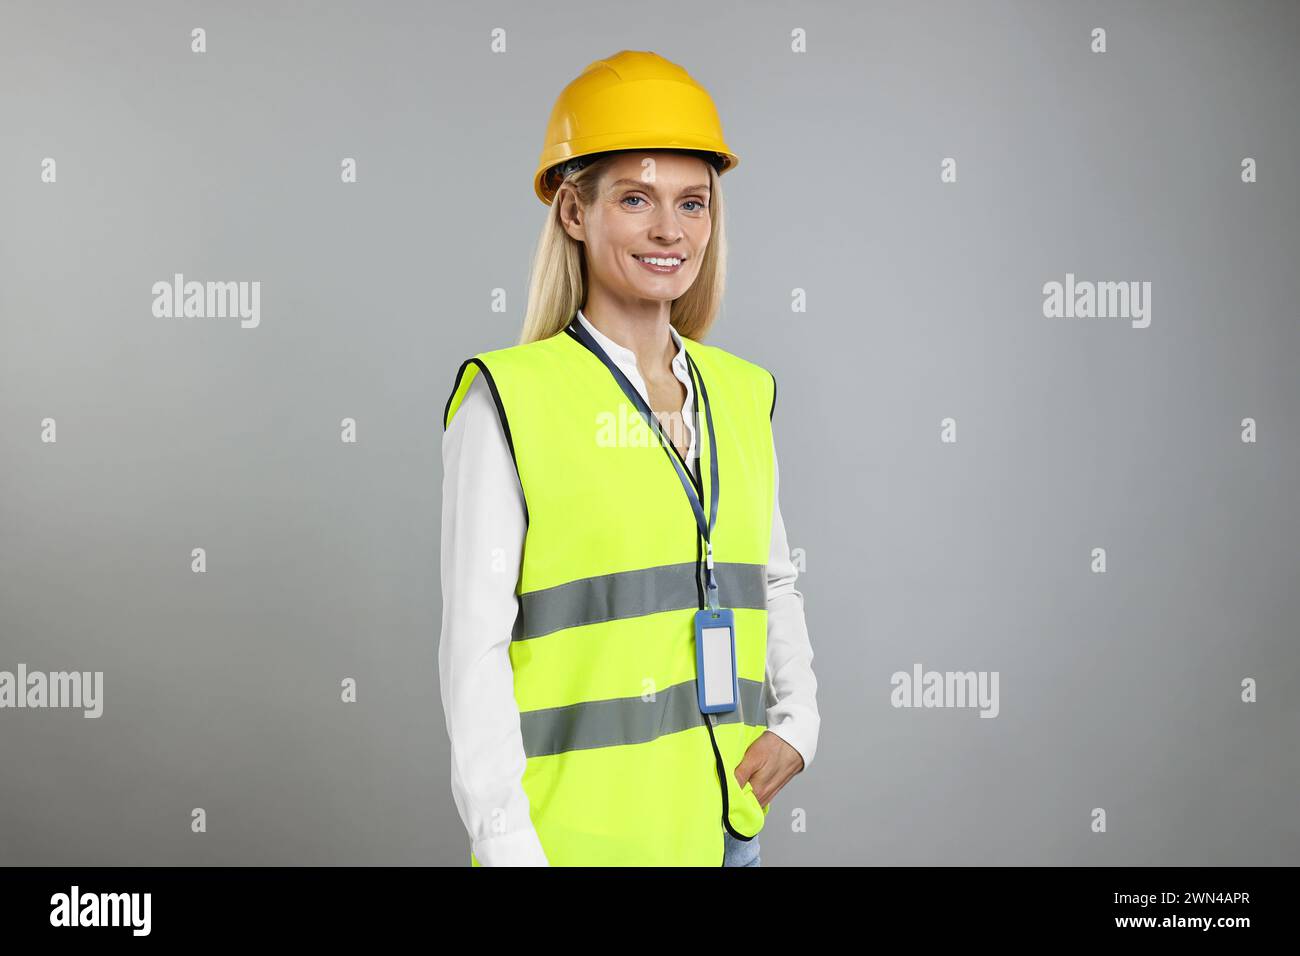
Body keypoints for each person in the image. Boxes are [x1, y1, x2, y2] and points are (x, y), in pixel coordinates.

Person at [438, 50, 819, 867]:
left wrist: (799, 723)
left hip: (725, 834)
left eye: (692, 202)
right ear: (574, 211)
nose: (668, 231)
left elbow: (773, 578)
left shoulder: (742, 393)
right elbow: (473, 646)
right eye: (636, 198)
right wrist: (506, 845)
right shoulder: (508, 398)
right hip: (575, 845)